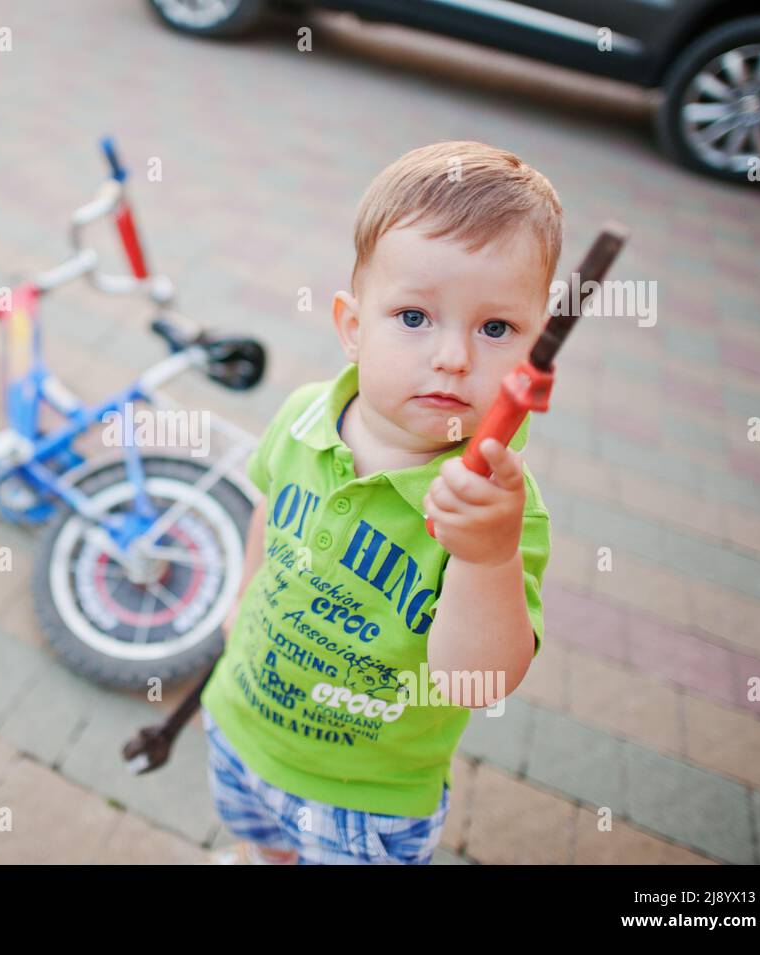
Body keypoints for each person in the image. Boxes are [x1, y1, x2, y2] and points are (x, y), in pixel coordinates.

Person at [202, 141, 557, 864]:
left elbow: (476, 680)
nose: (454, 356)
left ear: (533, 356)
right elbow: (269, 505)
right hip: (240, 720)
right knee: (257, 844)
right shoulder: (306, 414)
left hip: (365, 797)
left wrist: (486, 556)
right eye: (415, 316)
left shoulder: (497, 507)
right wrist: (241, 596)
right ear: (353, 325)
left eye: (495, 329)